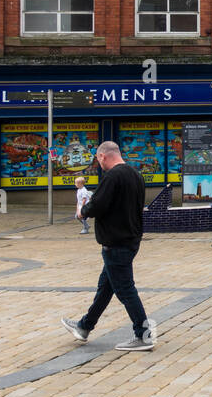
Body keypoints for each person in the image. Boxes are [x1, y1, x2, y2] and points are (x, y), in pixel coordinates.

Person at [61, 141, 155, 352]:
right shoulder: (136, 175)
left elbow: (98, 204)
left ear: (103, 156)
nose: (98, 163)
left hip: (116, 242)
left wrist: (82, 212)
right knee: (106, 287)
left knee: (125, 289)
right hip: (130, 239)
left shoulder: (112, 177)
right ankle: (85, 326)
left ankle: (144, 335)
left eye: (98, 159)